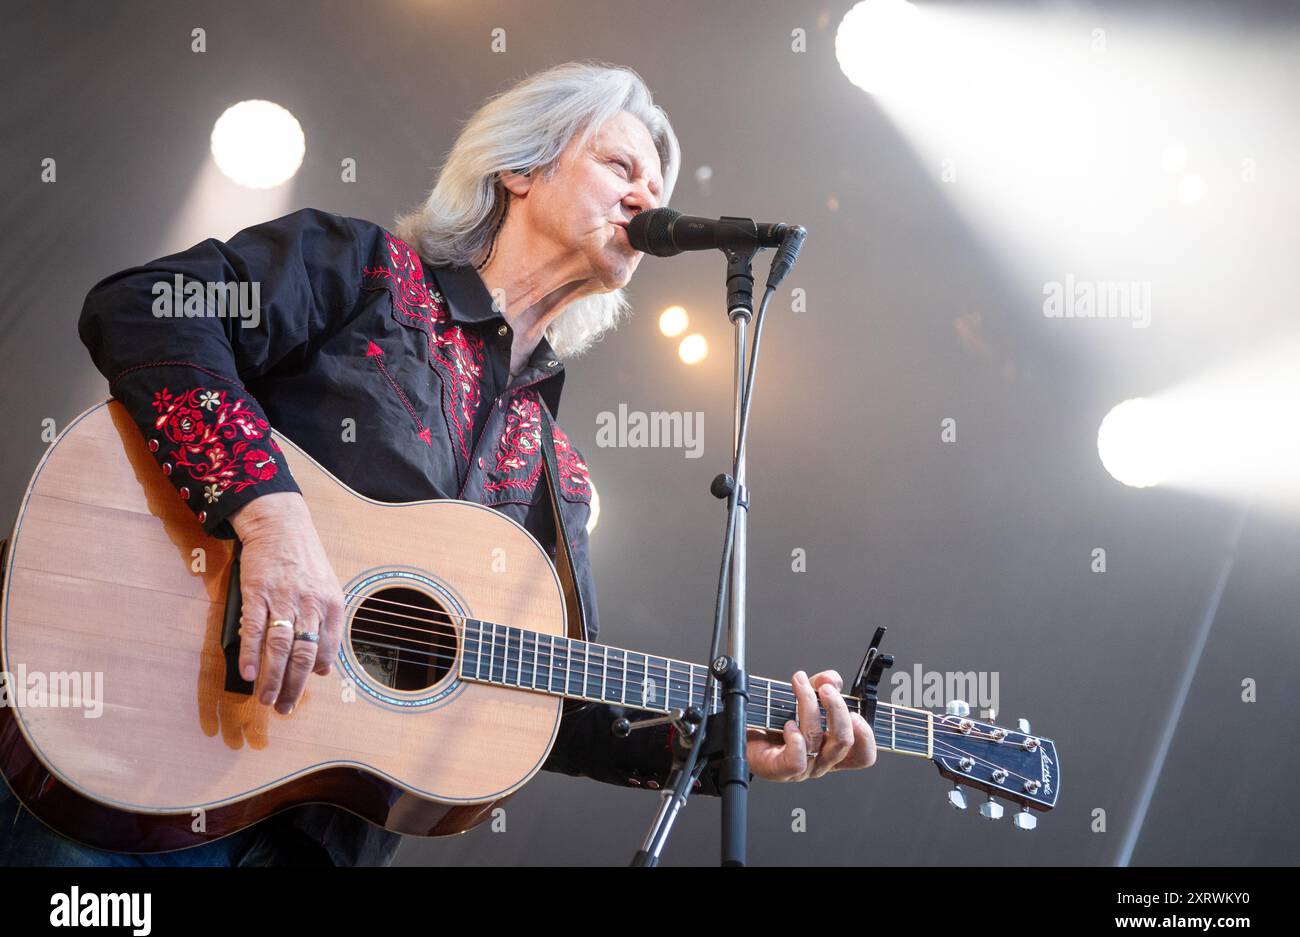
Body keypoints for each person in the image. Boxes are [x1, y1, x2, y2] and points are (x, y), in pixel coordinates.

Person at [0, 60, 875, 867]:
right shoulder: (362, 272)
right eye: (622, 165)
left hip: (313, 844)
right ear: (520, 168)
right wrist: (271, 517)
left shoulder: (556, 471)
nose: (649, 193)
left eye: (659, 183)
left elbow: (558, 719)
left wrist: (717, 746)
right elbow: (146, 308)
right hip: (129, 756)